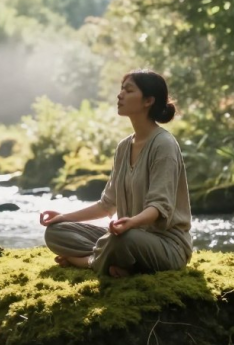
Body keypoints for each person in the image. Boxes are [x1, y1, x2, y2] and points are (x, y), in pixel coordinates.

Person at [39, 70, 193, 278]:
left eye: (128, 90)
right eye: (121, 89)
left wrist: (131, 223)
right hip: (124, 235)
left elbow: (159, 207)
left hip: (166, 246)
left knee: (123, 239)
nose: (120, 95)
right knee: (56, 232)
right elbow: (107, 204)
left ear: (148, 100)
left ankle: (87, 262)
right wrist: (63, 217)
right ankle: (120, 265)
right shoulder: (123, 147)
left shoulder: (163, 145)